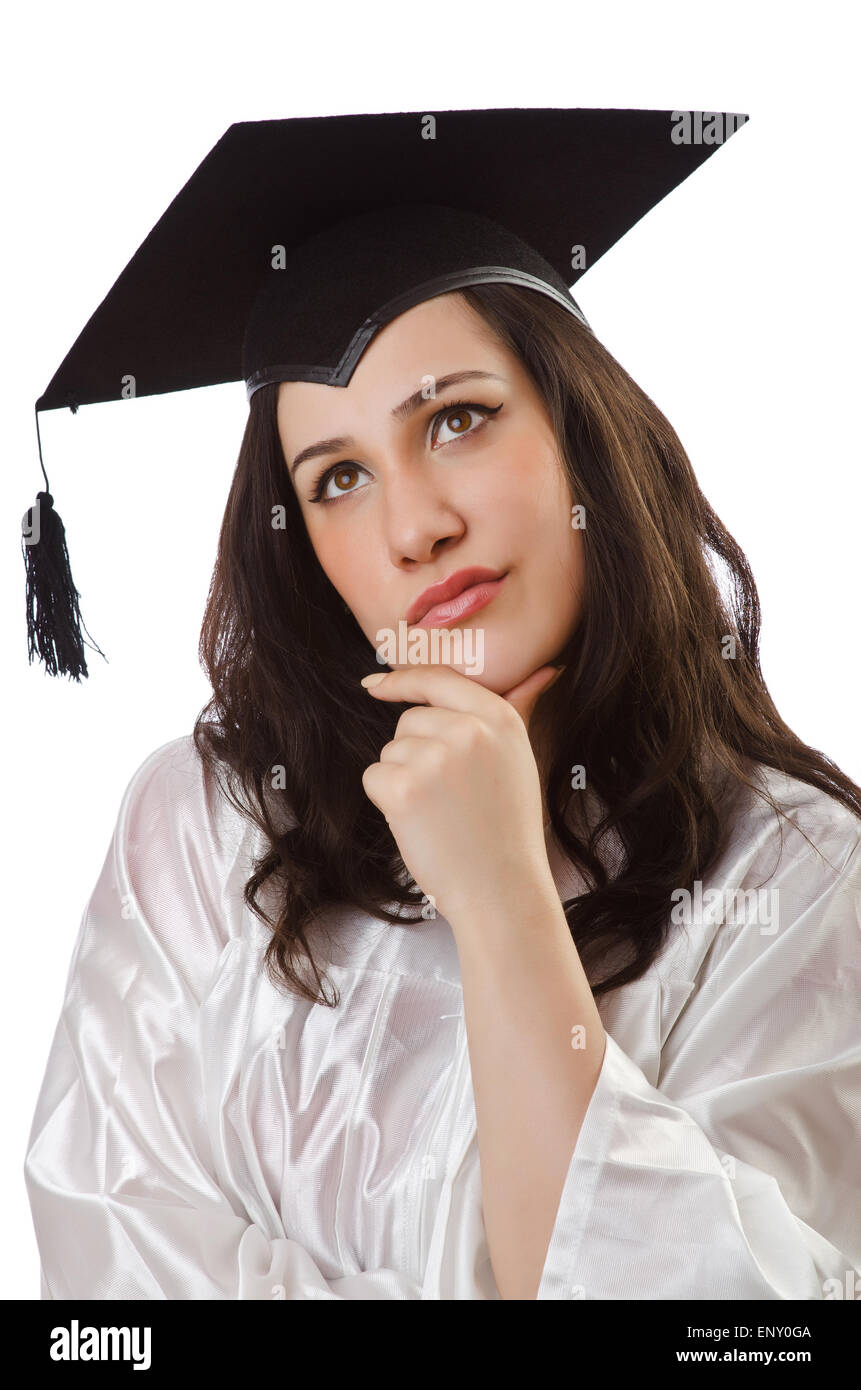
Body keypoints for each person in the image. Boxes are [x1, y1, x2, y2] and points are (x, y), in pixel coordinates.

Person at [22, 109, 861, 1300]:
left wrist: (504, 898)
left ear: (582, 434)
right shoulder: (204, 826)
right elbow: (112, 1282)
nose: (415, 525)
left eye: (456, 419)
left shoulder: (801, 881)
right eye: (340, 479)